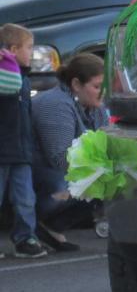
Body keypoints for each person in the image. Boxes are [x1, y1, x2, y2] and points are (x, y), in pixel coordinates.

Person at [31, 52, 110, 251]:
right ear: (76, 84)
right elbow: (60, 158)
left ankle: (52, 226)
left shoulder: (95, 106)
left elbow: (107, 143)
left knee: (117, 175)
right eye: (97, 86)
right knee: (94, 180)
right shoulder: (55, 104)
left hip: (60, 170)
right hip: (39, 173)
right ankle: (37, 219)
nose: (103, 92)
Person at [0, 23, 49, 259]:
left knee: (25, 198)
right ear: (13, 49)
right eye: (29, 47)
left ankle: (25, 238)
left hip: (21, 150)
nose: (31, 52)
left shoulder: (24, 79)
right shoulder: (5, 79)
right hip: (3, 149)